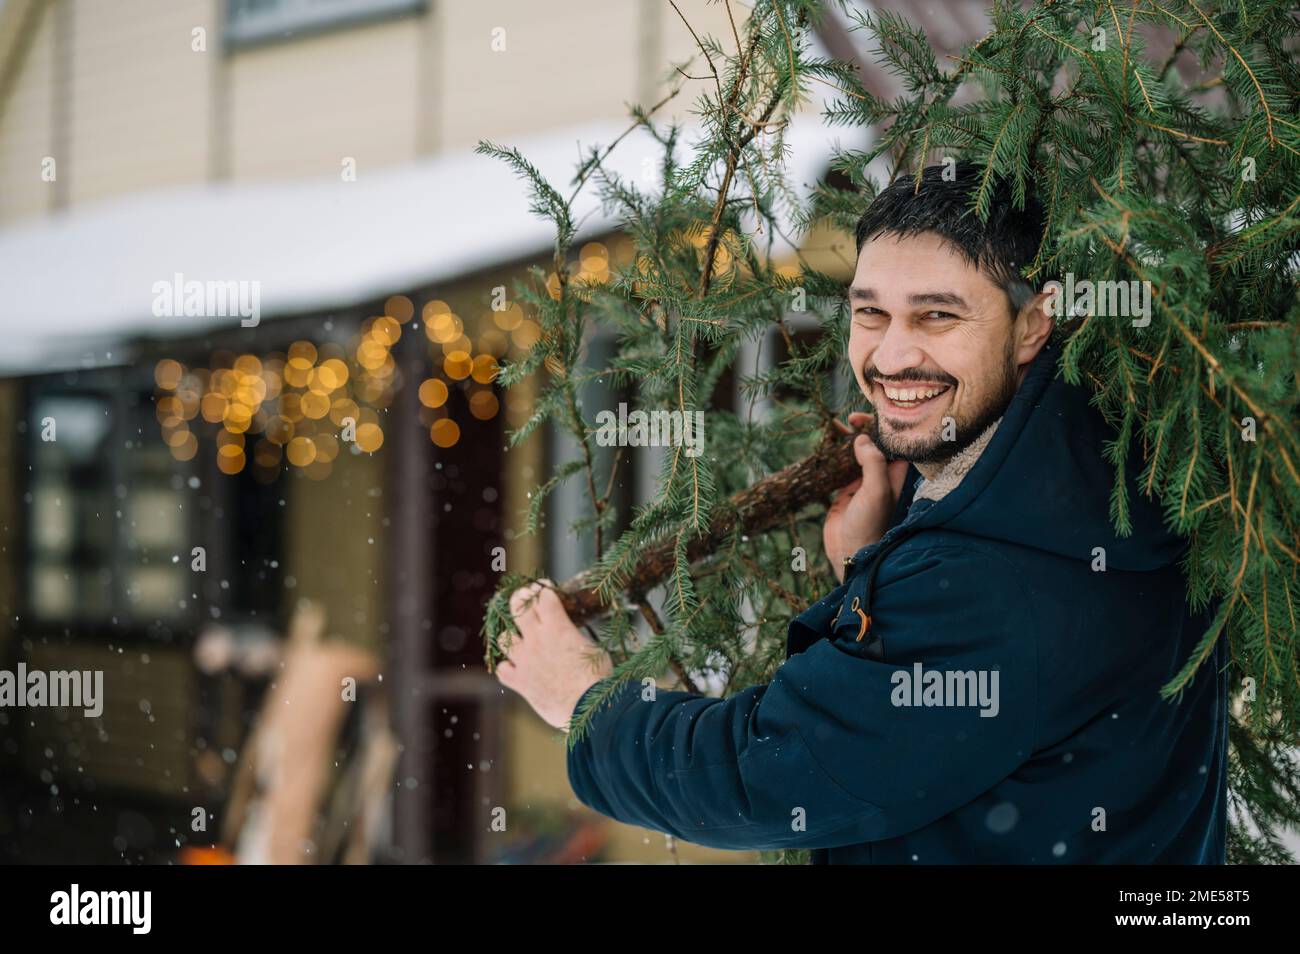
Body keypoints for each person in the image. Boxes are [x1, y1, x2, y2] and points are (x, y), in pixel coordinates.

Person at [494, 161, 1228, 864]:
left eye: (937, 315)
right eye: (870, 312)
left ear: (1034, 324)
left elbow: (761, 772)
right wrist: (873, 568)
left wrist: (587, 702)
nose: (891, 356)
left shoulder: (998, 580)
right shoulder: (1107, 484)